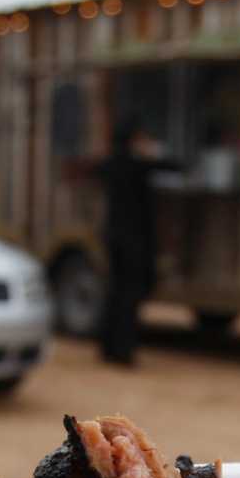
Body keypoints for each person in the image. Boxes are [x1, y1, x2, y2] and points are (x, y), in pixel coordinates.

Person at [93, 117, 175, 365]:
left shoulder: (112, 163)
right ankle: (123, 350)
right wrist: (151, 154)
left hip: (114, 236)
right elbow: (172, 166)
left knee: (115, 291)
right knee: (130, 295)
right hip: (134, 240)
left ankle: (108, 346)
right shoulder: (136, 165)